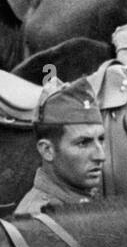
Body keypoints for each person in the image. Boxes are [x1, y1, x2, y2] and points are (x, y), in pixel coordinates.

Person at [14, 78, 106, 216]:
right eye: (83, 143)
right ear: (47, 150)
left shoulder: (82, 200)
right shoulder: (37, 220)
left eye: (101, 139)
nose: (101, 156)